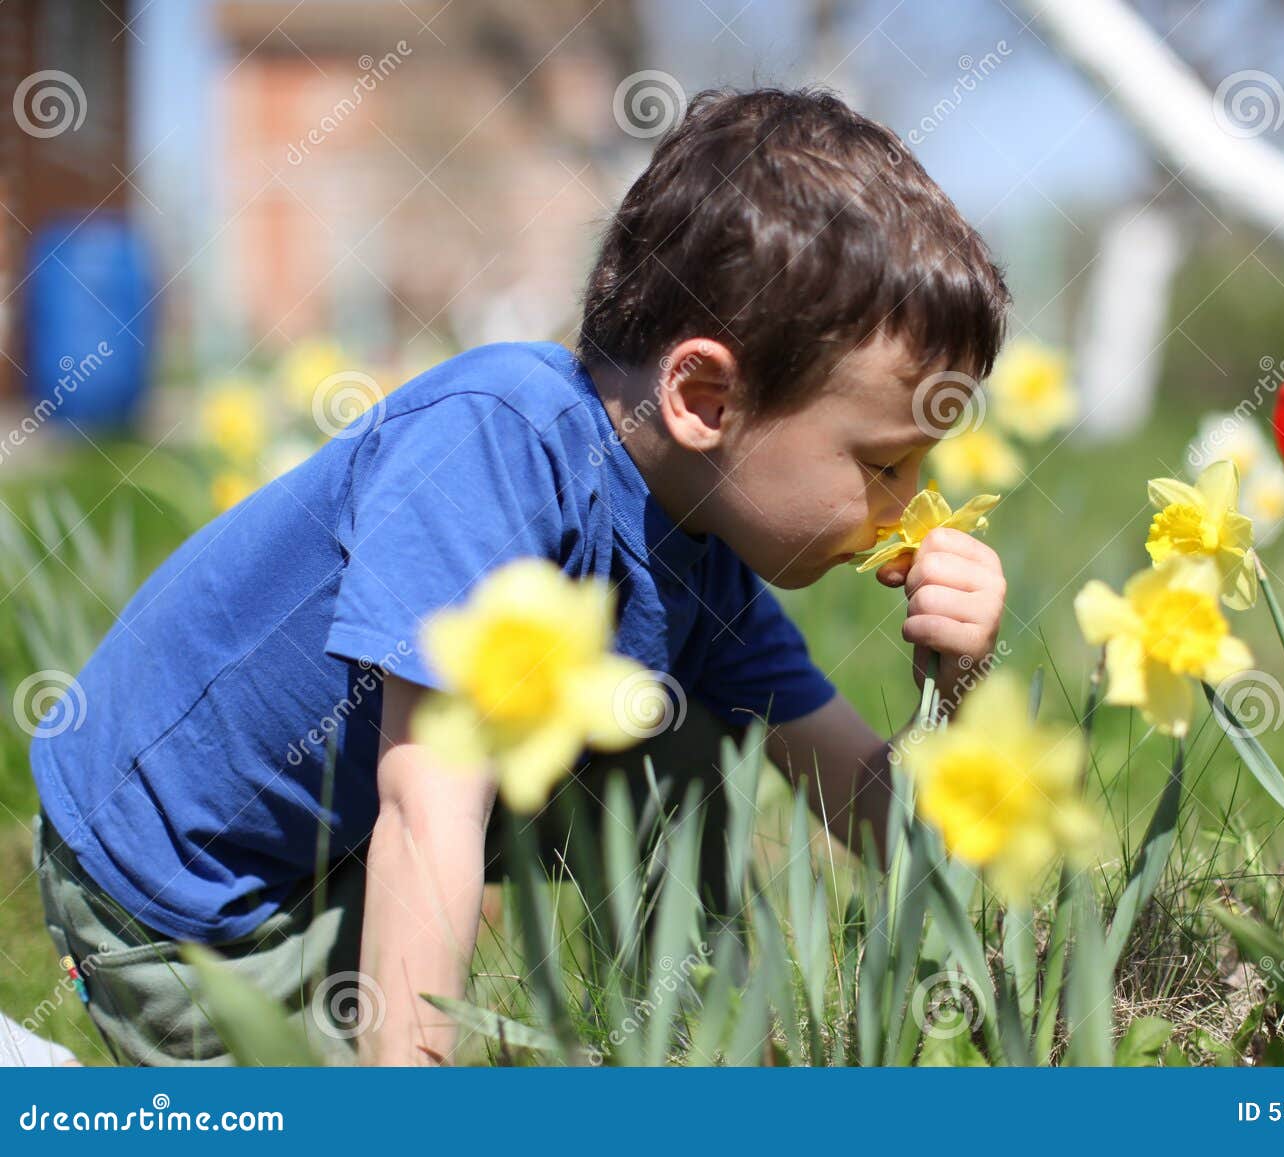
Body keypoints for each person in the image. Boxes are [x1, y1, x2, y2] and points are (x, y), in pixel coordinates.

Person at [29, 86, 1012, 1066]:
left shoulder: (703, 560)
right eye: (884, 463)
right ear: (704, 396)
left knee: (690, 747)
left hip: (337, 852)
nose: (910, 505)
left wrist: (952, 683)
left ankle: (692, 1050)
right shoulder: (498, 442)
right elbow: (427, 802)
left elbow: (877, 818)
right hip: (188, 897)